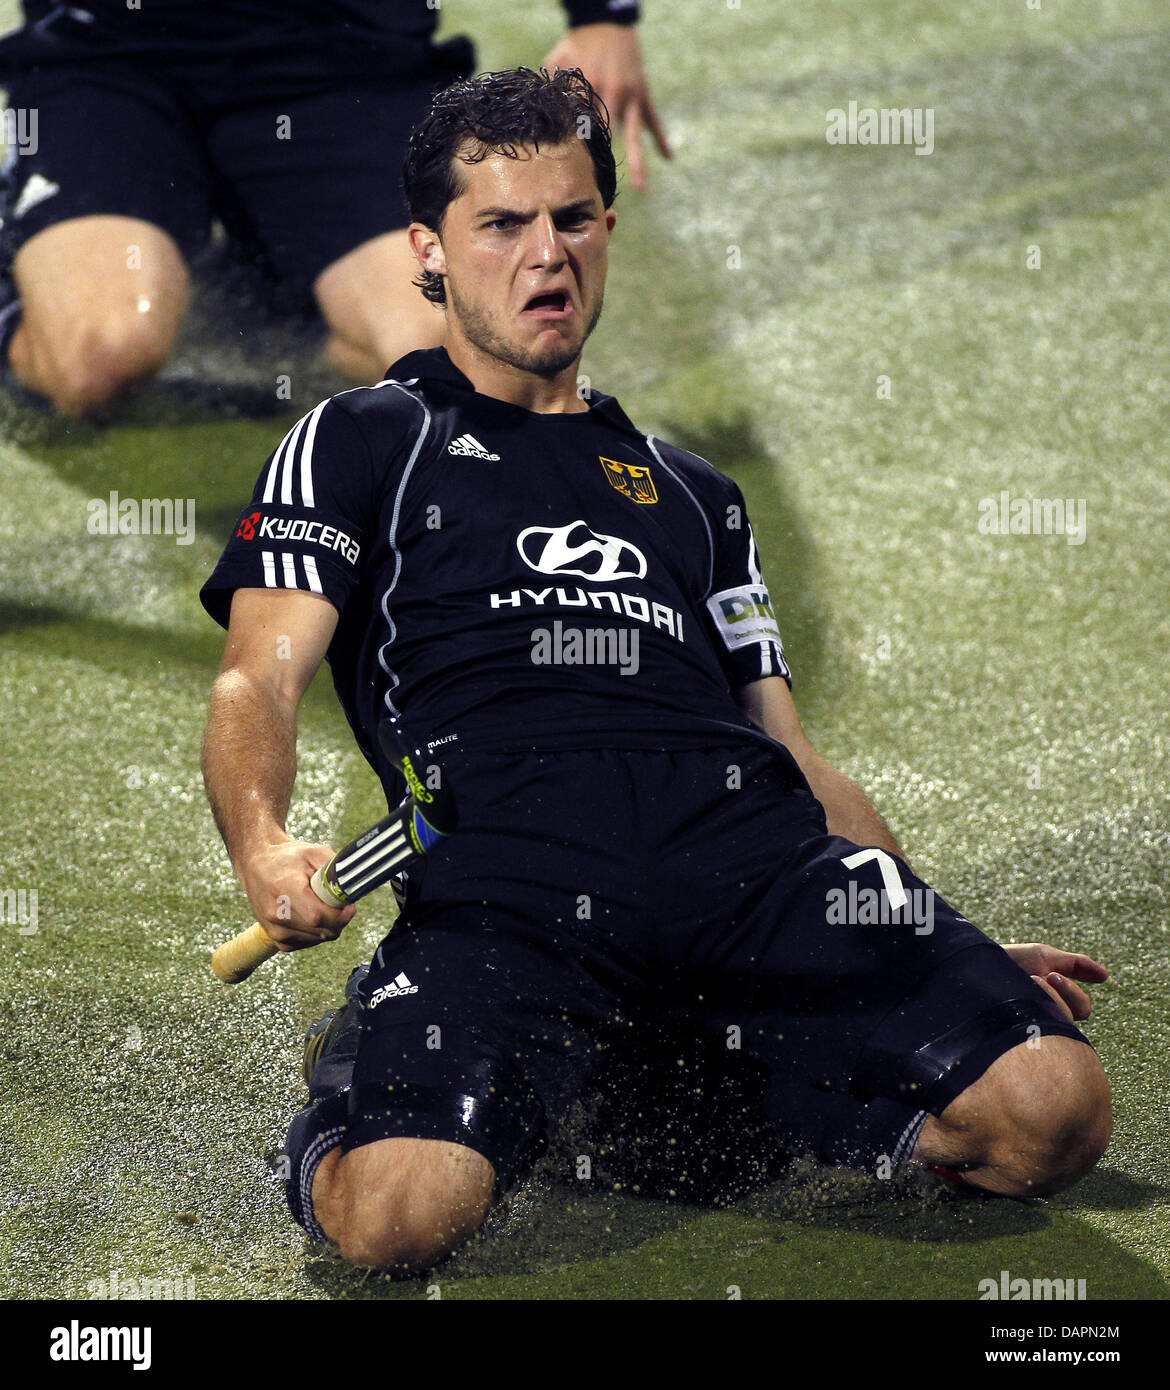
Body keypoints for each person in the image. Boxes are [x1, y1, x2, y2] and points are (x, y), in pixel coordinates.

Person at [199, 67, 1111, 1274]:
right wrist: (264, 847)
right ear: (429, 251)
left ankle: (708, 1078)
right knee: (398, 1220)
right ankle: (351, 1087)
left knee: (1055, 1110)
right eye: (503, 225)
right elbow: (255, 681)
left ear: (608, 232)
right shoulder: (366, 437)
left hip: (748, 872)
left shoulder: (695, 493)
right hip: (510, 885)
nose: (546, 256)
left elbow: (789, 753)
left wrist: (946, 931)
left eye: (572, 219)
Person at [0, 1, 669, 416]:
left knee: (457, 366)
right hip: (107, 59)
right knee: (102, 358)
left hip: (344, 62)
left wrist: (601, 16)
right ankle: (20, 279)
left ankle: (269, 282)